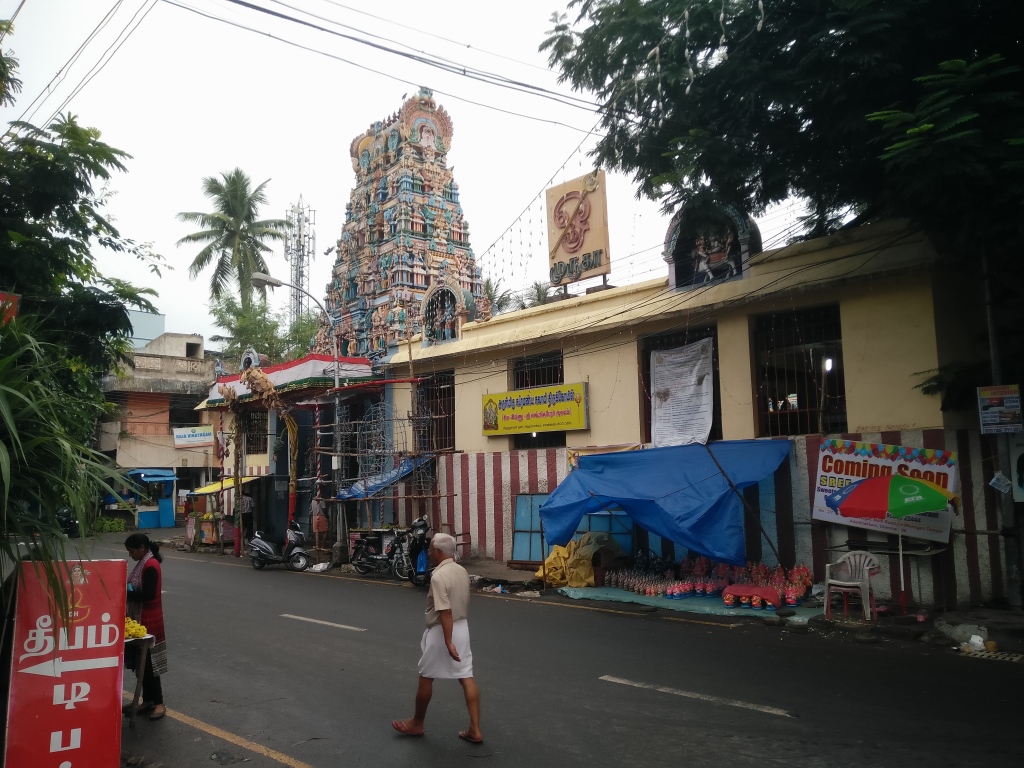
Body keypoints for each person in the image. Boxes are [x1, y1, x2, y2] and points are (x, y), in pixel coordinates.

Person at [392, 533, 483, 744]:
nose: (429, 553)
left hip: (443, 630)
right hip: (462, 628)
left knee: (426, 676)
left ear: (440, 552)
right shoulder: (461, 571)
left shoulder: (439, 576)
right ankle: (475, 729)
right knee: (465, 675)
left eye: (431, 550)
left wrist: (447, 641)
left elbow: (445, 611)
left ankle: (417, 722)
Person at [124, 533, 168, 721]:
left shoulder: (150, 565)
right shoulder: (144, 562)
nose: (130, 555)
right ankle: (148, 700)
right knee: (141, 662)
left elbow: (149, 594)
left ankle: (159, 703)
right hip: (140, 619)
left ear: (142, 548)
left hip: (149, 620)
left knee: (150, 664)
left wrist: (125, 593)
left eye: (132, 551)